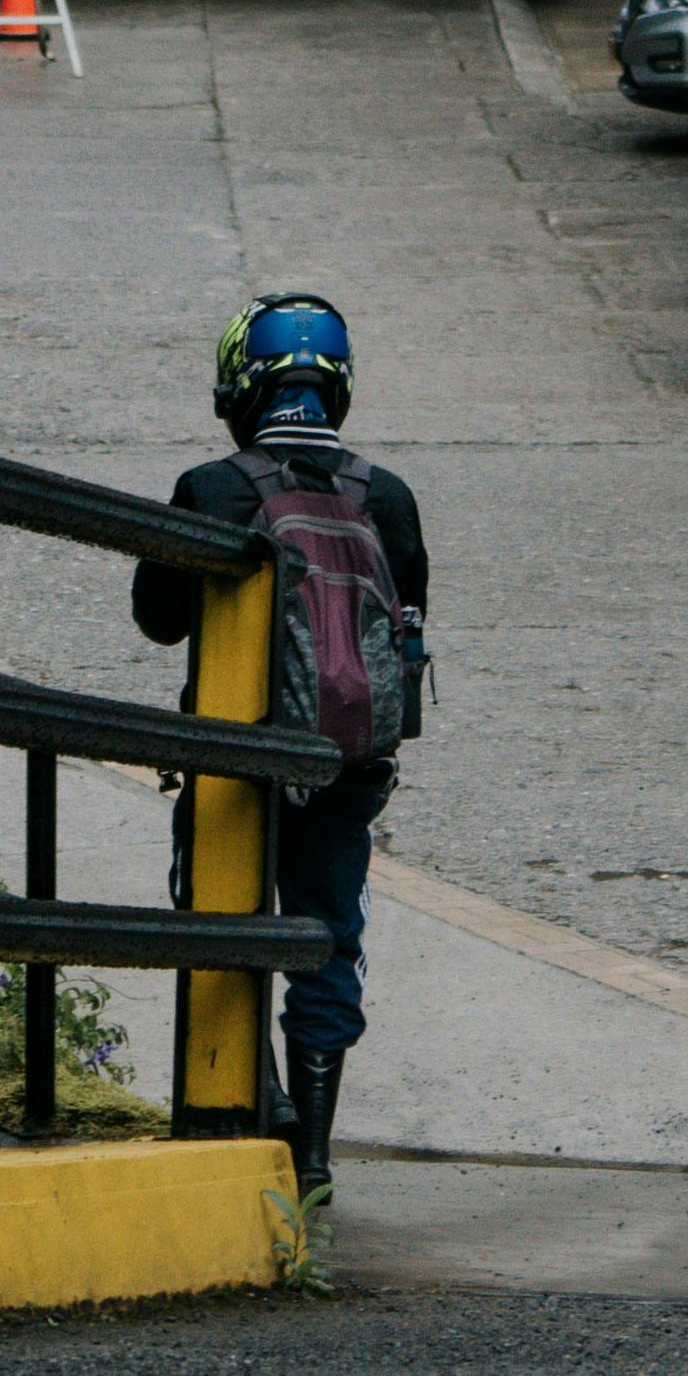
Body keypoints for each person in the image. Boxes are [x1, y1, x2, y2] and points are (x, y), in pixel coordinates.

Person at [133, 290, 426, 1205]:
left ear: (241, 386)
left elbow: (157, 619)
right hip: (347, 766)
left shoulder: (214, 488)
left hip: (238, 759)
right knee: (327, 938)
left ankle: (246, 1103)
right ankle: (316, 1157)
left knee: (220, 921)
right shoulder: (388, 496)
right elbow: (406, 633)